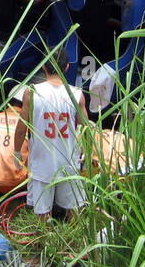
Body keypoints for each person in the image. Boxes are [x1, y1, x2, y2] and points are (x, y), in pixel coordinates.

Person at [14, 53, 89, 220]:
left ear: (43, 66)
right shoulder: (76, 94)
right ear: (67, 67)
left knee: (42, 212)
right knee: (74, 209)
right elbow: (85, 129)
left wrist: (17, 152)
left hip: (42, 162)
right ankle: (75, 243)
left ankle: (44, 242)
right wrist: (85, 155)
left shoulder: (32, 92)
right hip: (68, 160)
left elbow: (21, 128)